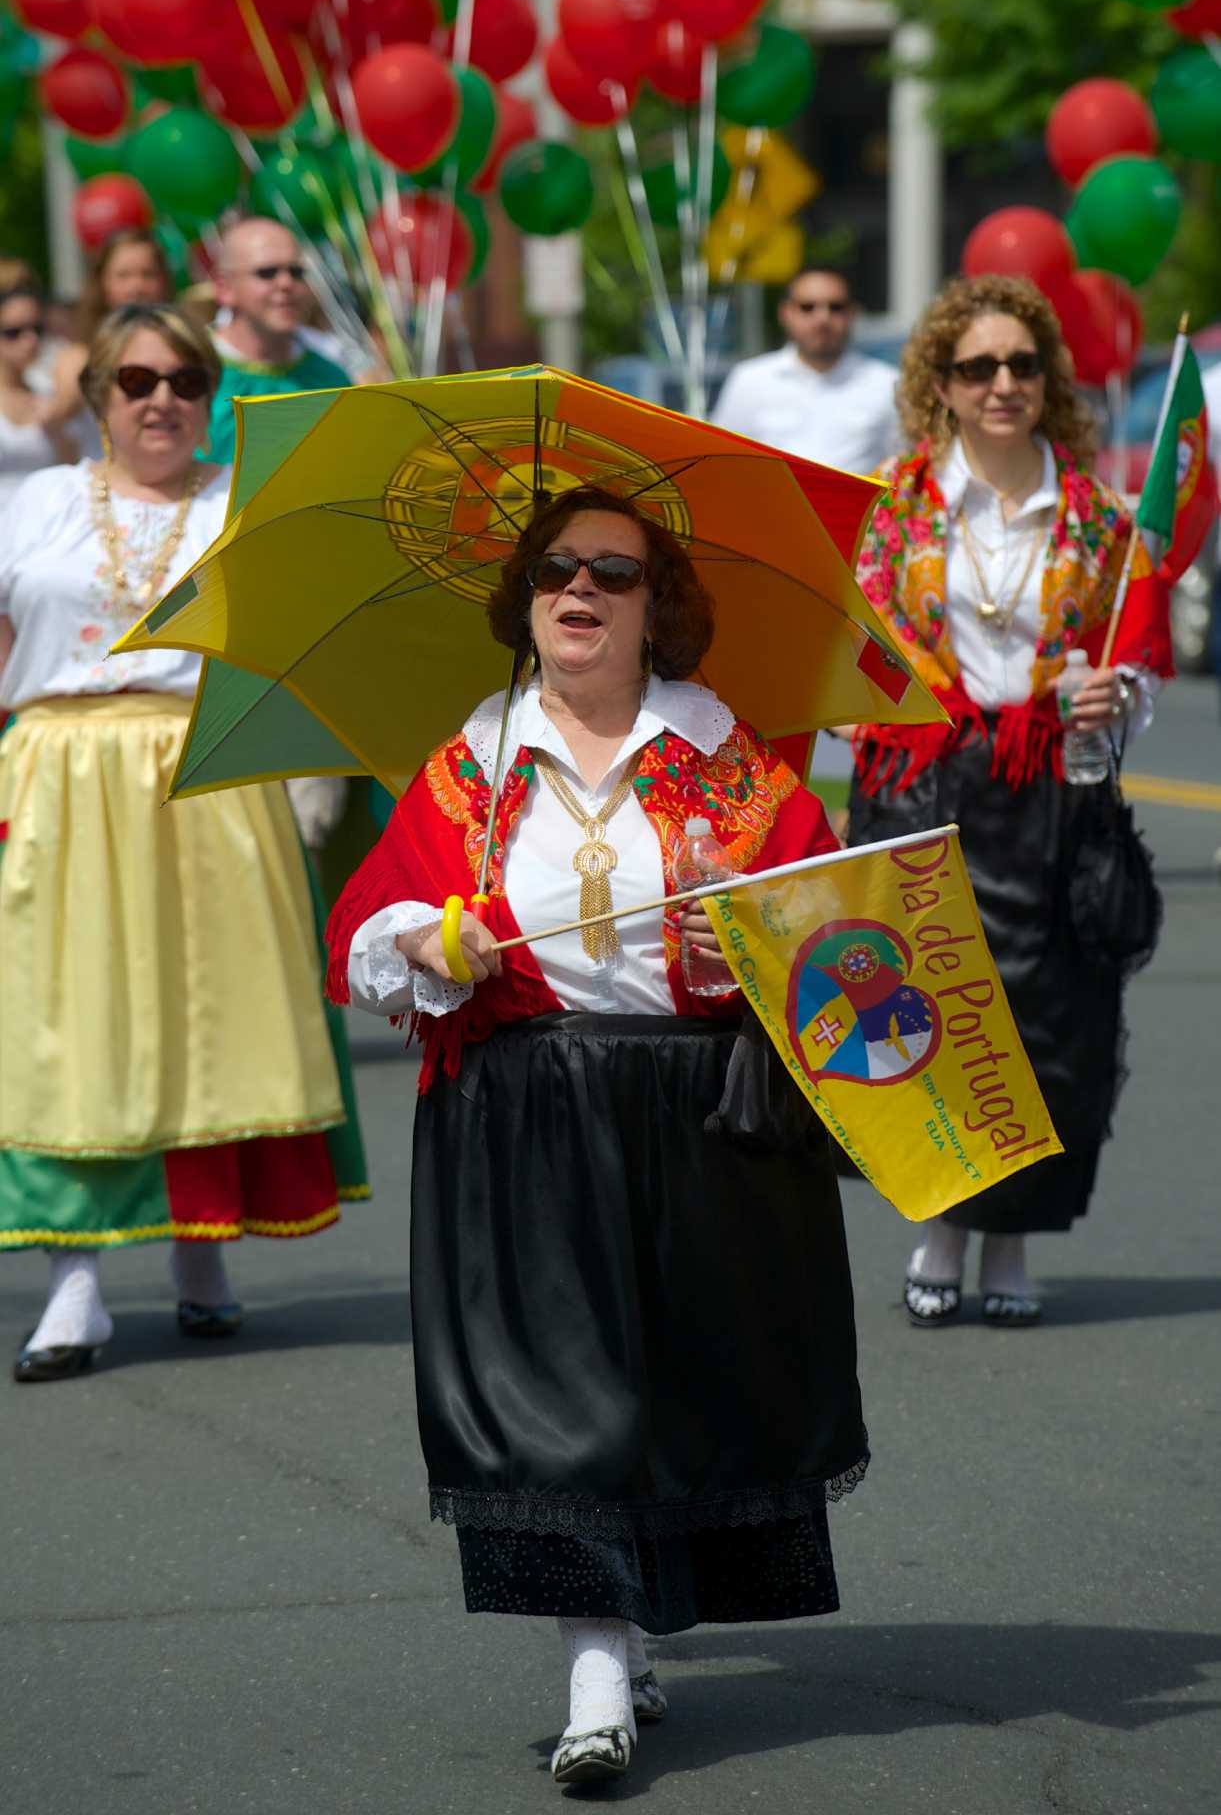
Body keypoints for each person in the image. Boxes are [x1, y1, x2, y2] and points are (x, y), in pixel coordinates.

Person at [326, 484, 868, 1789]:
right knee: (561, 1412)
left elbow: (841, 936)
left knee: (673, 1396)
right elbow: (360, 938)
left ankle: (629, 1636)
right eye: (556, 569)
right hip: (522, 1112)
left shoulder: (729, 759)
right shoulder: (476, 761)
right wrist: (430, 938)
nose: (578, 590)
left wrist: (741, 946)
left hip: (695, 1120)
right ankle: (592, 1680)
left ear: (656, 609)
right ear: (523, 602)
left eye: (612, 574)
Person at [0, 304, 367, 1384]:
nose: (163, 398)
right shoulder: (40, 499)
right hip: (62, 768)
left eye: (188, 379)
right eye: (136, 379)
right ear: (100, 396)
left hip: (207, 770)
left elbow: (306, 642)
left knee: (213, 1016)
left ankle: (203, 1251)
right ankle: (73, 1283)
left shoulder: (244, 505)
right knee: (68, 1018)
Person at [847, 273, 1171, 1327]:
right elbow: (845, 643)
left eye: (1022, 365)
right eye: (978, 365)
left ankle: (1014, 1240)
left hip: (1048, 792)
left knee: (1049, 1024)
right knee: (927, 1016)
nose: (1002, 383)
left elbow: (1142, 659)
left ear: (1047, 380)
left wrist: (1109, 696)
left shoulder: (1096, 514)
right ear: (941, 380)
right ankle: (941, 1225)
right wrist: (857, 704)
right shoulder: (892, 502)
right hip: (925, 787)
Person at [710, 264, 902, 475]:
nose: (822, 318)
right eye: (807, 307)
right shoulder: (750, 380)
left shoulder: (887, 384)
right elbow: (720, 461)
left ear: (853, 313)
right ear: (785, 313)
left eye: (835, 307)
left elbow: (904, 467)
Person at [207, 218, 352, 465]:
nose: (286, 283)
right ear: (225, 288)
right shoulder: (186, 374)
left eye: (296, 272)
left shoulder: (332, 379)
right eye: (267, 273)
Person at [45, 228, 174, 456]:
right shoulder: (79, 355)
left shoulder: (181, 351)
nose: (137, 287)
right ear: (102, 283)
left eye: (147, 274)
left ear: (163, 281)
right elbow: (57, 418)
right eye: (123, 275)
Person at [0, 284, 79, 507]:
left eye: (37, 330)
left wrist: (58, 433)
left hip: (42, 526)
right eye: (13, 332)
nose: (30, 340)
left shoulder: (49, 391)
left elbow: (73, 469)